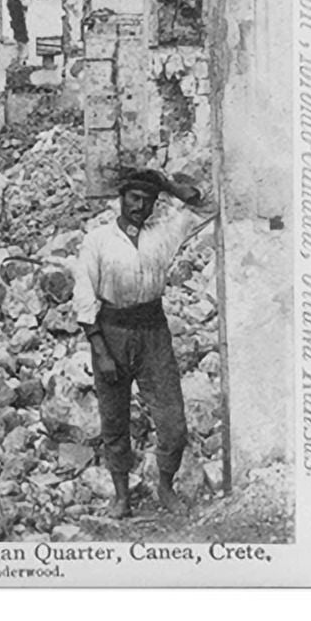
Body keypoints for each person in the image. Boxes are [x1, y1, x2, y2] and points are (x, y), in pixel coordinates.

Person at [72, 168, 217, 519]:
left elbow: (208, 206)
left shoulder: (163, 234)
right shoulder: (98, 239)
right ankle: (122, 496)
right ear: (121, 198)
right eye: (134, 198)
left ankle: (165, 486)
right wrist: (100, 350)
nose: (140, 206)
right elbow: (84, 296)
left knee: (173, 423)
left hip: (154, 333)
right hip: (112, 332)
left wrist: (166, 184)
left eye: (148, 200)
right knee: (114, 420)